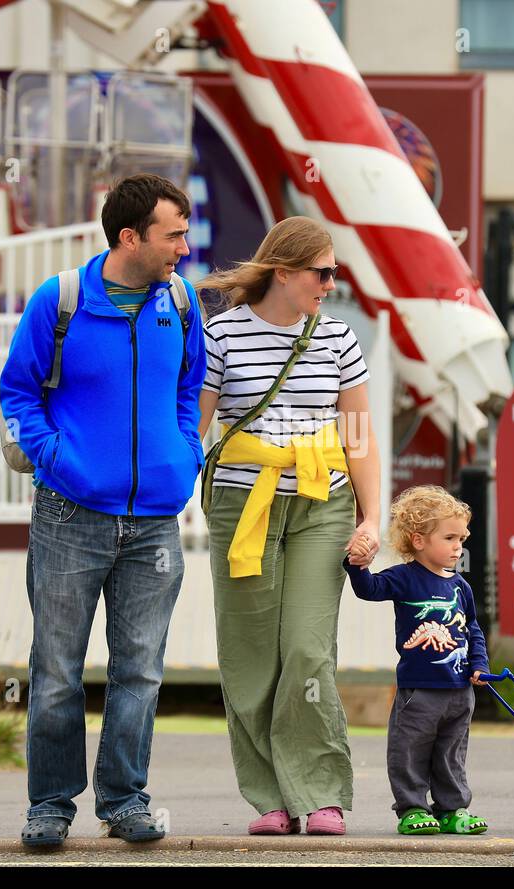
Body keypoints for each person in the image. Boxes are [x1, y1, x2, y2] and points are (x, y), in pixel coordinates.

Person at [0, 173, 206, 848]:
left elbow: (189, 385)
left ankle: (125, 800)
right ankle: (50, 807)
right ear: (130, 236)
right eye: (174, 233)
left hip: (155, 522)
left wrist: (185, 454)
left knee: (140, 670)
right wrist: (57, 457)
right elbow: (19, 393)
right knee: (57, 671)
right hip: (69, 516)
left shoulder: (179, 300)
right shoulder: (58, 302)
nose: (184, 245)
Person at [196, 216, 382, 836]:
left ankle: (319, 791)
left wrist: (372, 515)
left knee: (307, 647)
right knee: (249, 653)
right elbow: (194, 427)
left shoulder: (337, 339)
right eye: (322, 272)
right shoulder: (221, 336)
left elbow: (358, 435)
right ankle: (269, 797)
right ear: (284, 272)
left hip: (319, 500)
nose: (330, 285)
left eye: (334, 274)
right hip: (241, 504)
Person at [342, 485, 491, 836]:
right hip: (419, 692)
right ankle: (412, 808)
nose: (458, 546)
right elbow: (369, 590)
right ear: (419, 540)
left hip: (459, 691)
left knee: (451, 753)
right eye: (450, 537)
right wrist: (356, 565)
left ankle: (452, 809)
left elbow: (473, 629)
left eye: (461, 538)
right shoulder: (405, 576)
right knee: (409, 750)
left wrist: (480, 665)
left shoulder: (461, 587)